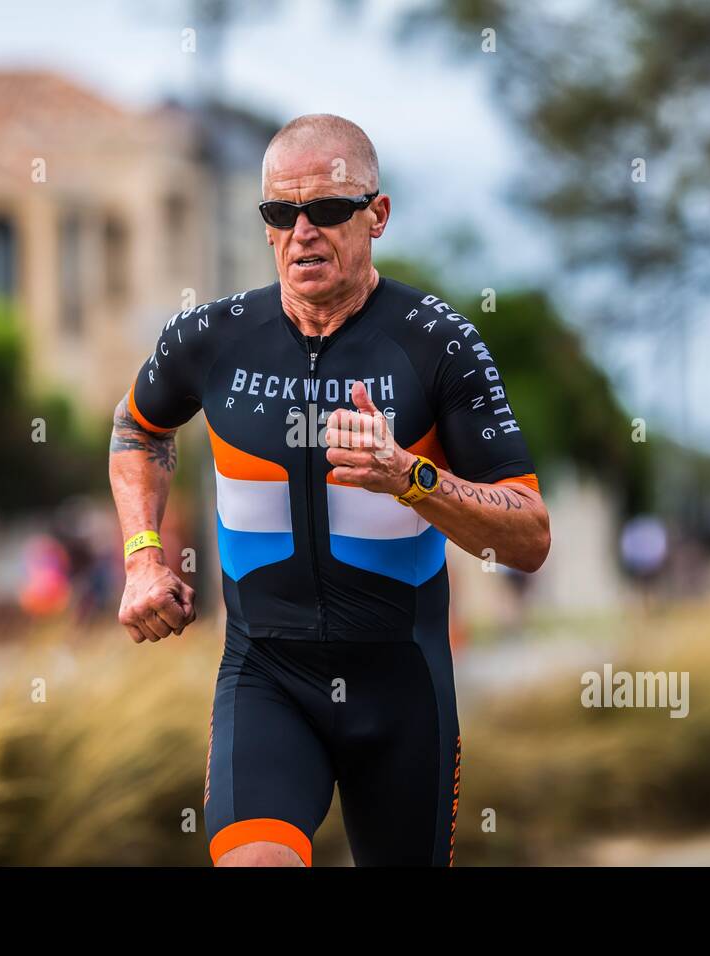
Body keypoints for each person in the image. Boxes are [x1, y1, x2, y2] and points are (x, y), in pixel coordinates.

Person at [108, 114, 551, 867]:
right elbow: (137, 429)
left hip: (401, 685)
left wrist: (408, 477)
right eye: (281, 214)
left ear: (376, 215)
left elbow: (529, 536)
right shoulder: (212, 339)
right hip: (266, 676)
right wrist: (144, 556)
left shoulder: (437, 344)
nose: (303, 233)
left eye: (329, 211)